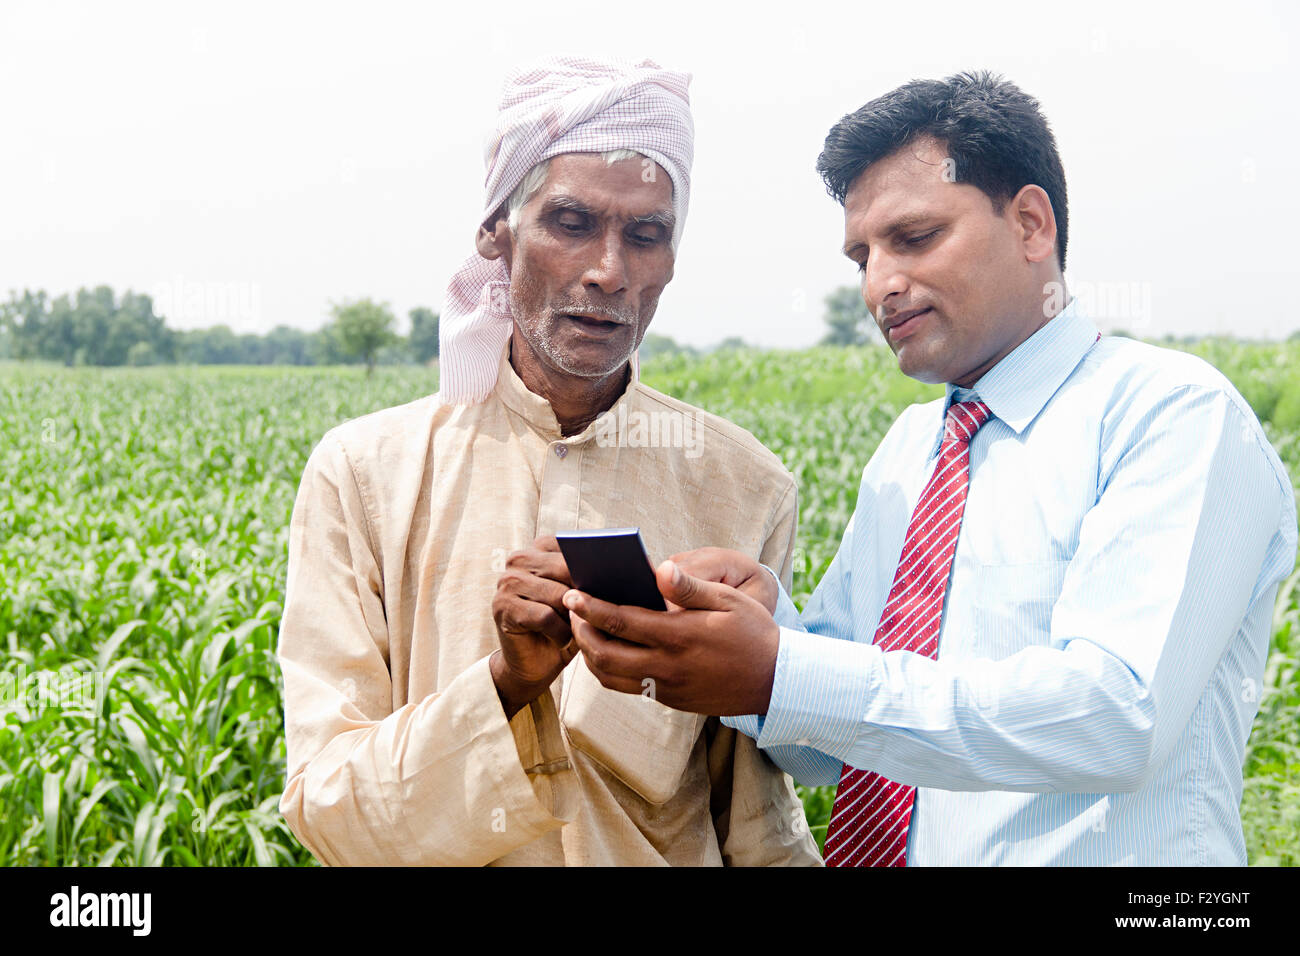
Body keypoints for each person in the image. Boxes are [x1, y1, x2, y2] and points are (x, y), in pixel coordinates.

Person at [563, 70, 1298, 866]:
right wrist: (757, 630)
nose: (880, 283)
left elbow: (1116, 719)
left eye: (913, 239)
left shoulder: (1170, 416)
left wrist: (784, 668)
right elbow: (830, 748)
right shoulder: (911, 452)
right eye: (862, 256)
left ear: (1029, 225)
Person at [276, 55, 820, 867]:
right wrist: (505, 685)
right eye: (571, 223)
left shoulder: (744, 486)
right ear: (498, 233)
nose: (608, 270)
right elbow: (328, 808)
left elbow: (755, 823)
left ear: (672, 258)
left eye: (646, 234)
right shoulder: (364, 474)